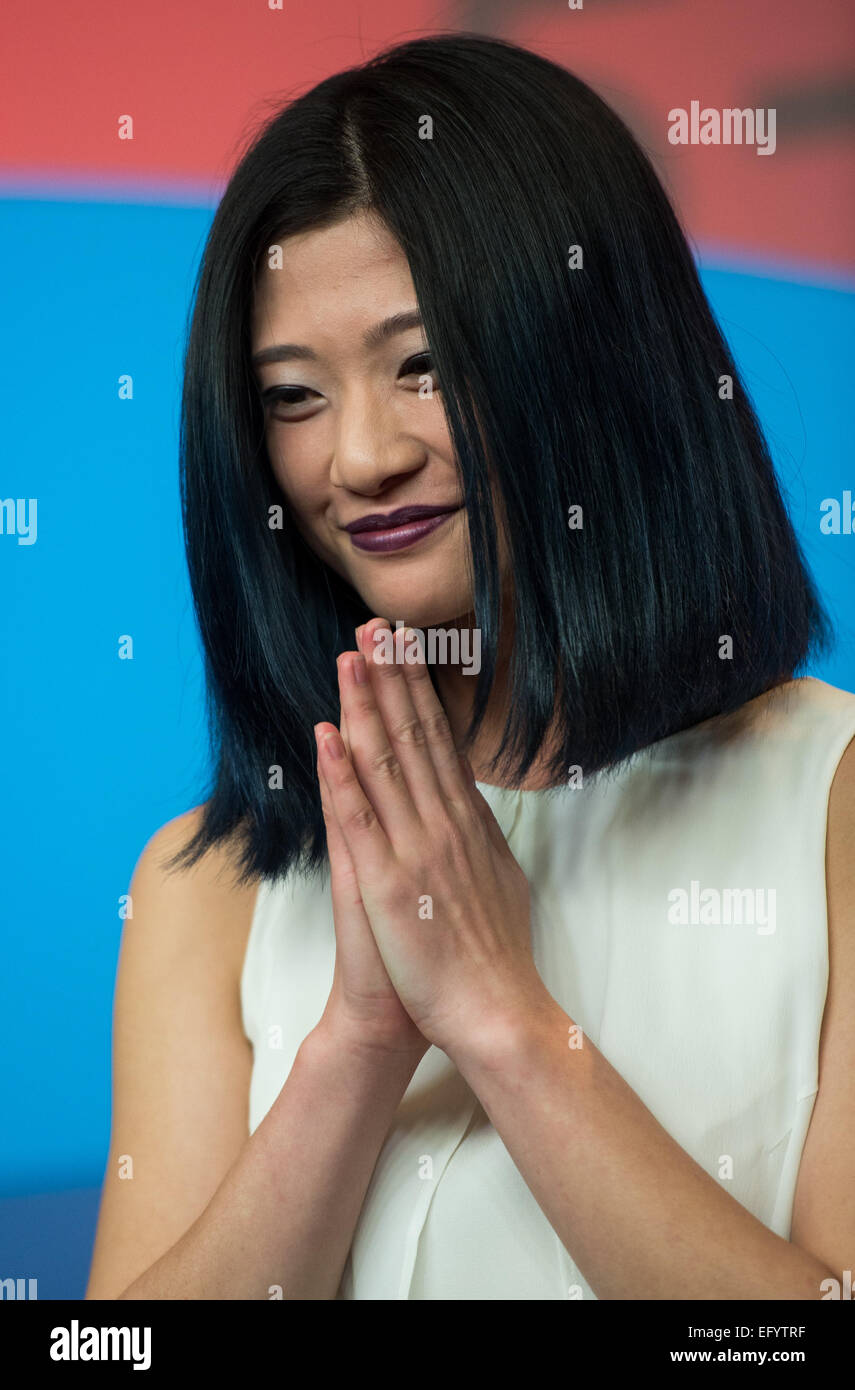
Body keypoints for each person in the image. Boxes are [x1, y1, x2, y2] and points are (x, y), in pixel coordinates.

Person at [85, 32, 855, 1301]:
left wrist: (506, 1020)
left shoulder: (827, 808)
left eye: (423, 364)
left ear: (592, 359)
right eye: (293, 396)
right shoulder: (201, 884)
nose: (360, 459)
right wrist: (357, 1042)